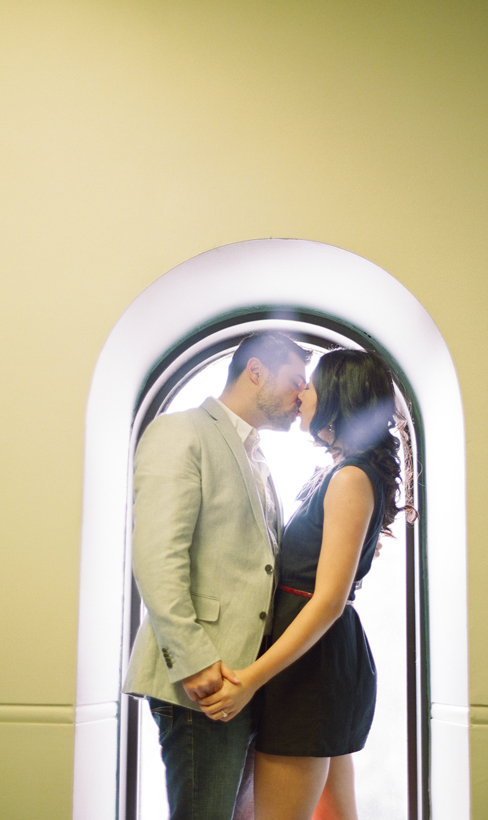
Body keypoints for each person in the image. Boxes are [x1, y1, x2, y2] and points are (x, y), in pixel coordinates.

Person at [198, 349, 414, 820]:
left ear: (339, 397)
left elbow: (328, 602)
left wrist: (248, 682)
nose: (300, 393)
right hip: (316, 661)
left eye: (310, 386)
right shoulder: (344, 471)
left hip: (311, 667)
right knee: (333, 814)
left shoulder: (351, 477)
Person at [123, 331, 311, 820]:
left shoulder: (259, 456)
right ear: (255, 371)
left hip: (244, 681)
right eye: (294, 381)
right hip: (203, 683)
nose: (301, 396)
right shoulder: (180, 431)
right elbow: (157, 556)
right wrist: (193, 662)